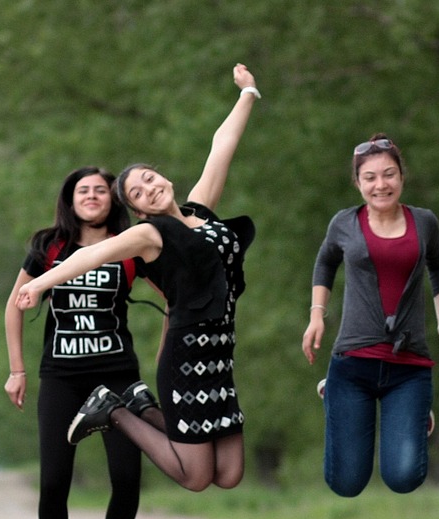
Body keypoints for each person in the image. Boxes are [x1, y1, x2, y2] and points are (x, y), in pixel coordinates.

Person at [15, 64, 259, 495]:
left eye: (150, 179)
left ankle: (142, 407)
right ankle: (115, 411)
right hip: (187, 359)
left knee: (230, 473)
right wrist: (38, 284)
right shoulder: (149, 235)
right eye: (138, 194)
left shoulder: (200, 211)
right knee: (197, 477)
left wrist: (247, 93)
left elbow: (223, 145)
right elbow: (93, 254)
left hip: (222, 354)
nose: (149, 189)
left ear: (163, 177)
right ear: (139, 210)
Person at [5, 167, 152, 519]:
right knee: (54, 481)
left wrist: (171, 353)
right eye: (83, 190)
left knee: (127, 477)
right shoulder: (48, 245)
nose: (92, 196)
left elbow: (176, 299)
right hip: (62, 377)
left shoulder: (132, 244)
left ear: (113, 200)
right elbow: (16, 304)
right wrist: (17, 369)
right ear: (70, 199)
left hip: (118, 373)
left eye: (101, 191)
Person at [301, 134, 439, 498]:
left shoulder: (424, 222)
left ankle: (415, 415)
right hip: (353, 361)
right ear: (358, 183)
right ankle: (334, 390)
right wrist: (317, 315)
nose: (380, 184)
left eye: (389, 174)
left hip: (409, 365)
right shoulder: (344, 223)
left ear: (402, 177)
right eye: (369, 177)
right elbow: (325, 262)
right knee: (346, 483)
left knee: (404, 478)